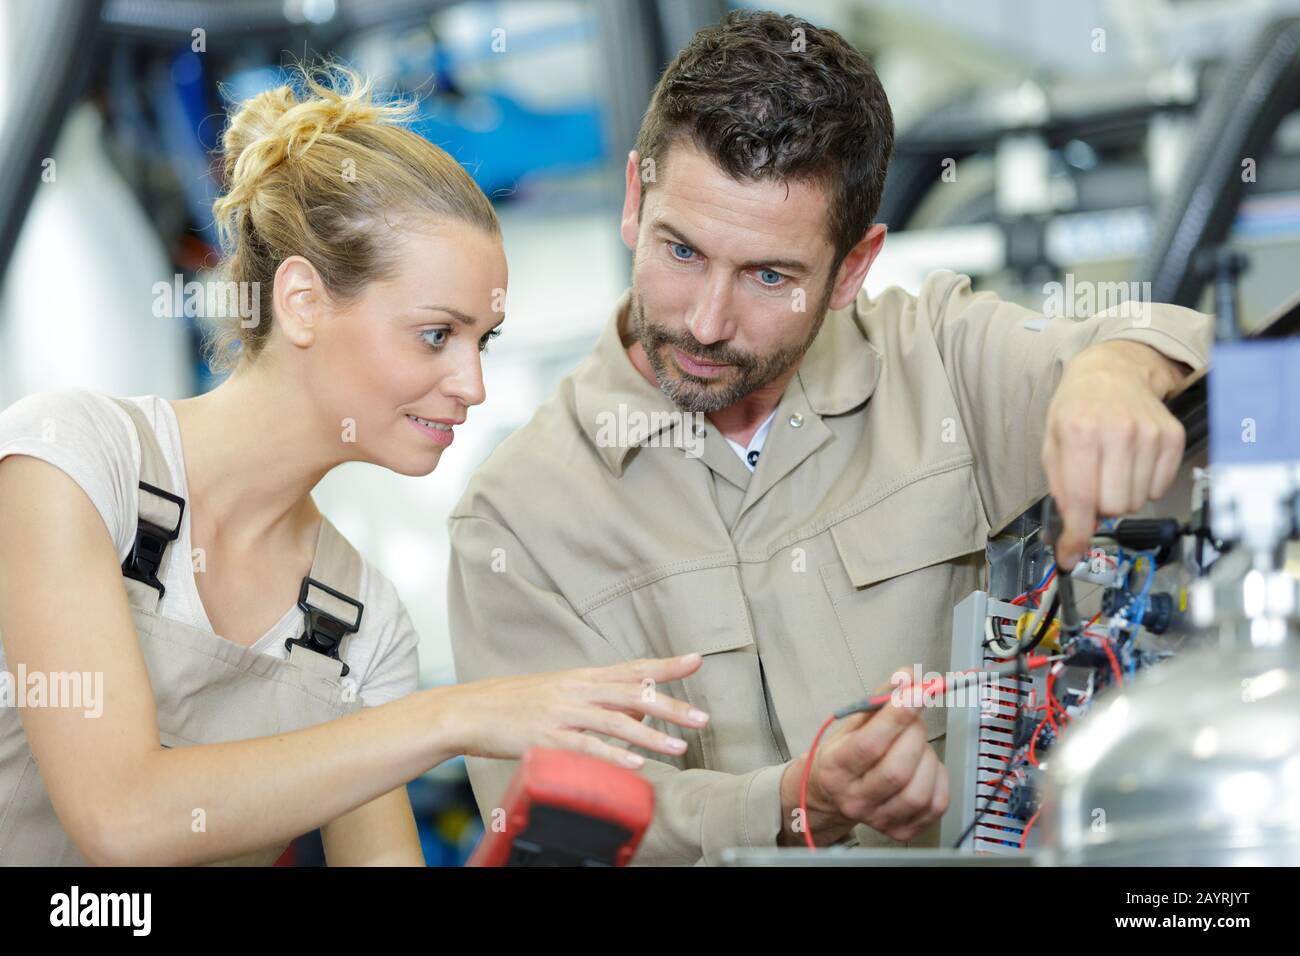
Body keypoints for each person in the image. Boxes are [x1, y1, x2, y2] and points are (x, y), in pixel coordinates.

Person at [447, 9, 1215, 865]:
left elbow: (1180, 347)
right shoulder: (516, 520)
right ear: (635, 199)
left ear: (853, 266)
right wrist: (782, 804)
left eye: (768, 275)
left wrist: (1116, 370)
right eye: (682, 251)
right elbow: (546, 830)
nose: (705, 322)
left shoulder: (941, 362)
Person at [0, 65, 707, 867]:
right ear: (301, 301)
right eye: (437, 334)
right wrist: (454, 717)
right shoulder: (71, 463)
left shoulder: (358, 619)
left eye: (484, 343)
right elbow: (121, 818)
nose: (472, 385)